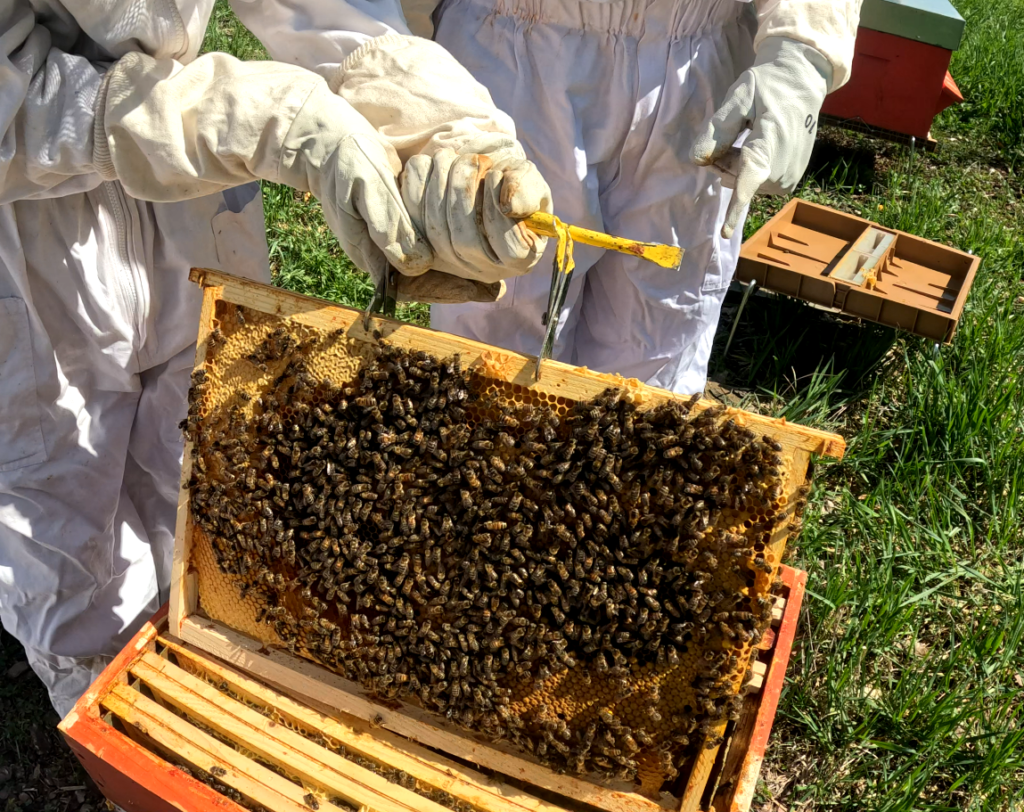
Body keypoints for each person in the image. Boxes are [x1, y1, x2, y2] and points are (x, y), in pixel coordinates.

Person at [0, 0, 550, 717]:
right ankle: (120, 726)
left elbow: (330, 12)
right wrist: (236, 119)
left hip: (191, 201)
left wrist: (446, 128)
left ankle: (219, 669)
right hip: (25, 239)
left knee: (220, 487)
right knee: (59, 545)